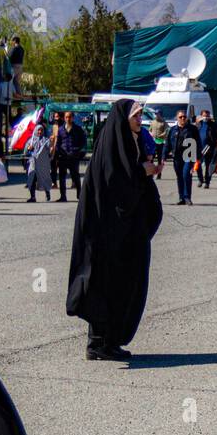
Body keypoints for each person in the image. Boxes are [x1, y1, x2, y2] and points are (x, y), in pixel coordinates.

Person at [67, 100, 163, 361]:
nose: (139, 119)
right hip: (106, 232)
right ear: (123, 118)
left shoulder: (130, 142)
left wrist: (145, 171)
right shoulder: (112, 146)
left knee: (121, 284)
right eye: (136, 115)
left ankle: (108, 342)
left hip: (122, 233)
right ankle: (98, 343)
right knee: (103, 282)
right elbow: (115, 185)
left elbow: (131, 179)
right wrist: (140, 171)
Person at [50, 110, 86, 202]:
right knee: (62, 177)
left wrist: (76, 150)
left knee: (75, 176)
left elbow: (83, 142)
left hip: (73, 157)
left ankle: (79, 195)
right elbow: (58, 143)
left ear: (73, 118)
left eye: (69, 117)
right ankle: (63, 196)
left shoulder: (78, 129)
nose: (68, 119)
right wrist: (58, 153)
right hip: (63, 157)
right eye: (66, 117)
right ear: (64, 118)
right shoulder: (61, 129)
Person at [166, 109, 200, 204]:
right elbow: (167, 144)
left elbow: (198, 143)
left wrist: (198, 157)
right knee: (179, 177)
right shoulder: (172, 130)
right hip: (177, 157)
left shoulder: (192, 129)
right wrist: (163, 157)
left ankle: (187, 197)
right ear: (177, 118)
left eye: (184, 117)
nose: (183, 118)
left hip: (188, 156)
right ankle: (181, 198)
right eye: (180, 117)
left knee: (186, 175)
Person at [24, 122, 54, 201]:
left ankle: (47, 195)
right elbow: (25, 153)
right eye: (38, 130)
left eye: (41, 130)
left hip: (42, 164)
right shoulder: (30, 141)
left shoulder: (45, 140)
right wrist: (28, 149)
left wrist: (52, 143)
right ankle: (32, 197)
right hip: (33, 163)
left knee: (44, 179)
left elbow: (49, 149)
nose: (39, 132)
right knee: (32, 179)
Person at [195, 109, 216, 189]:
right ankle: (200, 179)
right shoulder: (199, 124)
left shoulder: (213, 125)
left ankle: (207, 182)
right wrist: (197, 122)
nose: (206, 117)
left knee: (208, 166)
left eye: (207, 116)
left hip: (208, 147)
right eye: (204, 115)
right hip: (199, 147)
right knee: (198, 165)